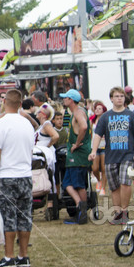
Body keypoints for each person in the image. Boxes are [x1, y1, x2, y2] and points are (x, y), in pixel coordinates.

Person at [0, 90, 36, 267]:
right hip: (25, 174)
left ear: (4, 102)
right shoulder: (27, 124)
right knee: (24, 216)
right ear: (20, 104)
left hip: (7, 175)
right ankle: (24, 255)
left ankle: (9, 256)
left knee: (8, 217)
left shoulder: (1, 123)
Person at [89, 87, 134, 224]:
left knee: (125, 182)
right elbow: (97, 135)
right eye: (117, 96)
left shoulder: (131, 115)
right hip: (111, 155)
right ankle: (118, 212)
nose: (119, 98)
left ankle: (124, 211)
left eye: (122, 96)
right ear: (111, 99)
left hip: (128, 154)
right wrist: (94, 151)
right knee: (114, 186)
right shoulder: (106, 117)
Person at [60, 89, 91, 225]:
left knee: (78, 185)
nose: (63, 100)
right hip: (76, 155)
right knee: (67, 183)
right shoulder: (78, 111)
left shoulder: (78, 112)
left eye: (65, 98)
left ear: (71, 100)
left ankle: (82, 213)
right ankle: (80, 206)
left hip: (78, 154)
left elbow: (83, 127)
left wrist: (77, 144)